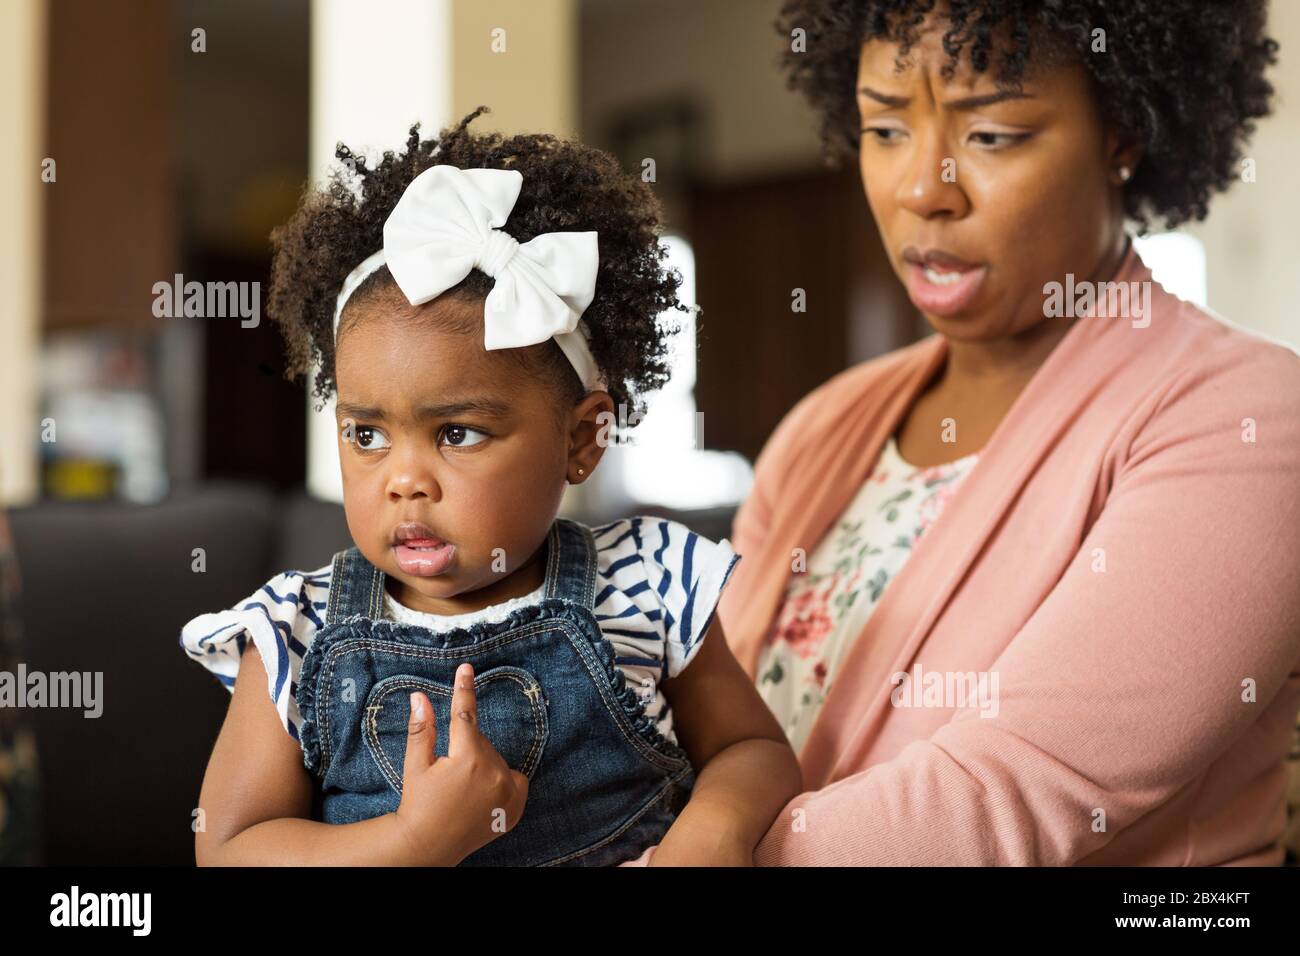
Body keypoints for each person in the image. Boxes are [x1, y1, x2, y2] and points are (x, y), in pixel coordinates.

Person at [709, 0, 1299, 865]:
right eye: (883, 128)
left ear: (1123, 135)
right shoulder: (820, 429)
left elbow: (1005, 796)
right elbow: (705, 731)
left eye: (993, 134)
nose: (923, 189)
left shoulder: (1247, 419)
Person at [180, 108, 801, 866]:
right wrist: (410, 841)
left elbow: (753, 748)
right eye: (366, 434)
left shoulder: (644, 584)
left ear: (582, 439)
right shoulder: (294, 632)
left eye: (457, 434)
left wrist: (712, 833)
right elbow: (228, 847)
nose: (405, 481)